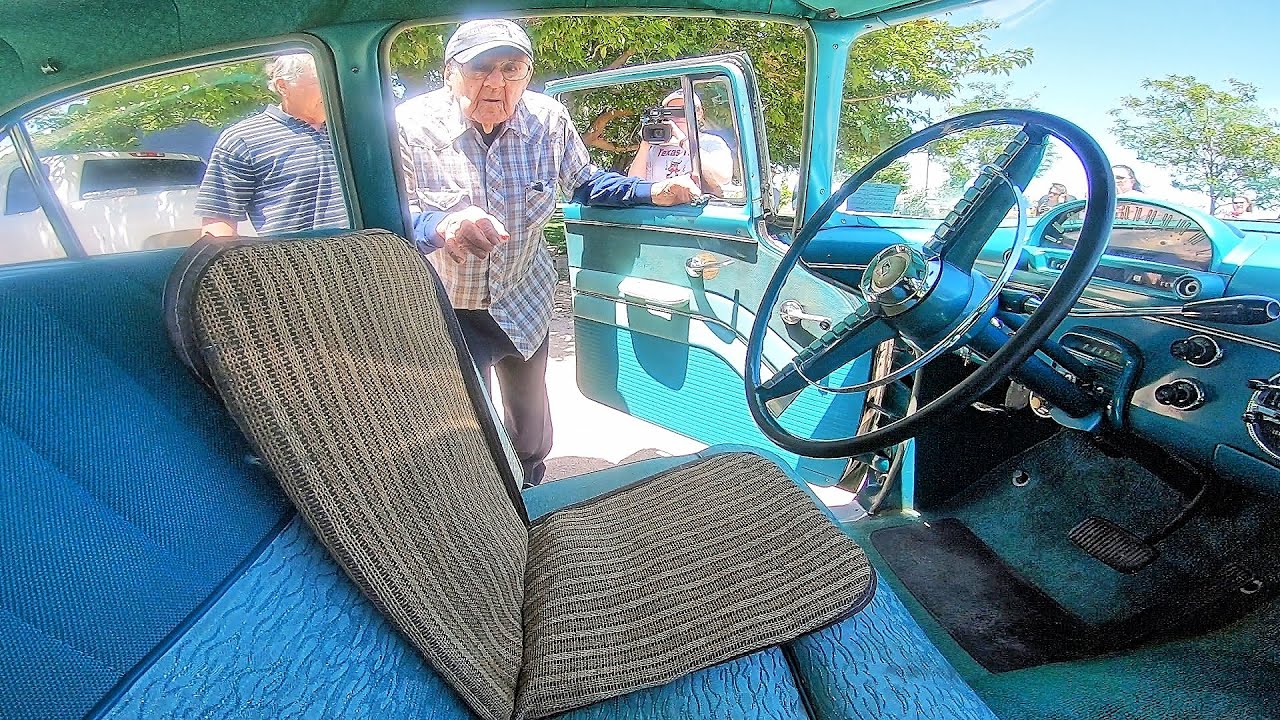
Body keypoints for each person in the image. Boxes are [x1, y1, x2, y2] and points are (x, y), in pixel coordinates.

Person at [396, 19, 700, 487]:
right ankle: (478, 502)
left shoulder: (549, 119)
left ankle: (531, 484)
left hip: (524, 295)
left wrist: (651, 191)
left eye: (511, 69)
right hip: (445, 303)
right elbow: (392, 213)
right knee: (459, 427)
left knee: (531, 425)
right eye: (480, 69)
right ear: (449, 72)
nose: (496, 82)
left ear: (526, 74)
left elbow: (585, 182)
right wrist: (442, 226)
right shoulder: (408, 126)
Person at [195, 53, 346, 237]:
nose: (332, 88)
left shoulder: (350, 128)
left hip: (369, 258)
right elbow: (218, 222)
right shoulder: (242, 140)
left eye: (334, 79)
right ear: (283, 86)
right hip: (296, 262)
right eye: (320, 82)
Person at [628, 90, 734, 196]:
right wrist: (645, 144)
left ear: (699, 114)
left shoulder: (711, 143)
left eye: (684, 111)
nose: (678, 116)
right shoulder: (656, 147)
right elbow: (634, 184)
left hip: (693, 208)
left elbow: (722, 176)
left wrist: (683, 141)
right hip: (659, 208)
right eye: (672, 111)